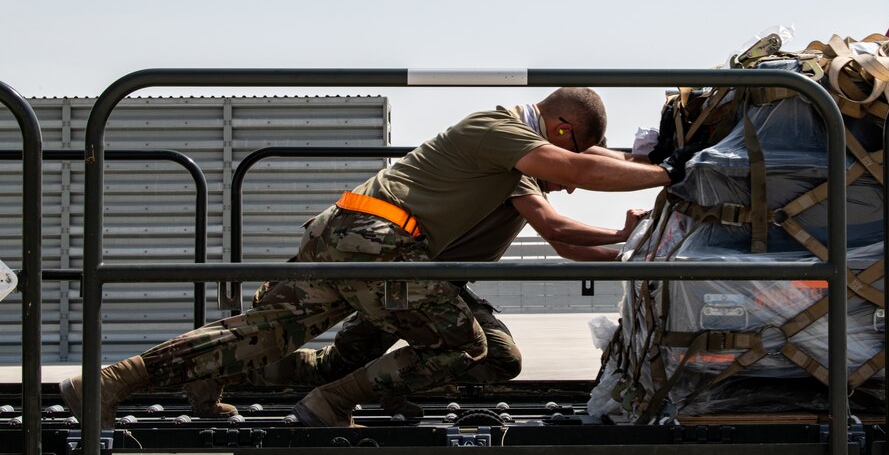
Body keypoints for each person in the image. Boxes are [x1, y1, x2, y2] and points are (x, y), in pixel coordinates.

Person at [61, 87, 688, 427]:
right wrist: (669, 175)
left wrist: (632, 215)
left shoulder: (507, 162)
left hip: (351, 237)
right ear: (559, 128)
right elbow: (570, 175)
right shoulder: (499, 131)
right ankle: (332, 401)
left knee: (265, 334)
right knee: (470, 349)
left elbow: (565, 213)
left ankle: (110, 381)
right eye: (573, 154)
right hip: (382, 247)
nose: (572, 180)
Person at [186, 174, 644, 419]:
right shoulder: (515, 176)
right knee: (334, 366)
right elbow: (561, 231)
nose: (569, 185)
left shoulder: (527, 188)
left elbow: (565, 247)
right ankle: (218, 369)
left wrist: (632, 254)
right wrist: (625, 232)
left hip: (440, 293)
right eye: (570, 171)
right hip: (405, 288)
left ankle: (390, 385)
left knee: (500, 357)